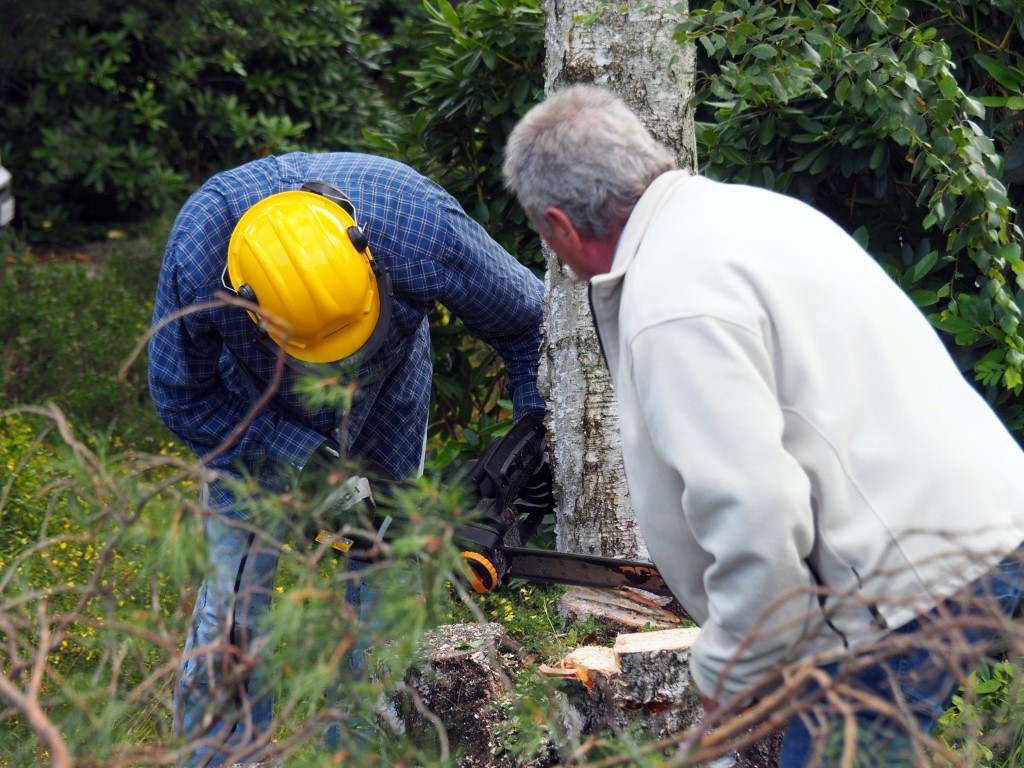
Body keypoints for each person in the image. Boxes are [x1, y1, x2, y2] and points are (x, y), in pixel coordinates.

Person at [502, 84, 1024, 767]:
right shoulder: (748, 215)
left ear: (560, 225)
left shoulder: (671, 299)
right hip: (963, 527)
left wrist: (728, 674)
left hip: (896, 579)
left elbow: (757, 513)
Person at [148, 151, 547, 767]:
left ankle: (358, 755)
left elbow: (532, 324)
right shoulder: (202, 250)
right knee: (233, 605)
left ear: (369, 261)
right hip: (250, 417)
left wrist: (534, 437)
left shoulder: (418, 226)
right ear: (241, 298)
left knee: (383, 589)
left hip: (387, 399)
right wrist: (303, 459)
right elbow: (181, 393)